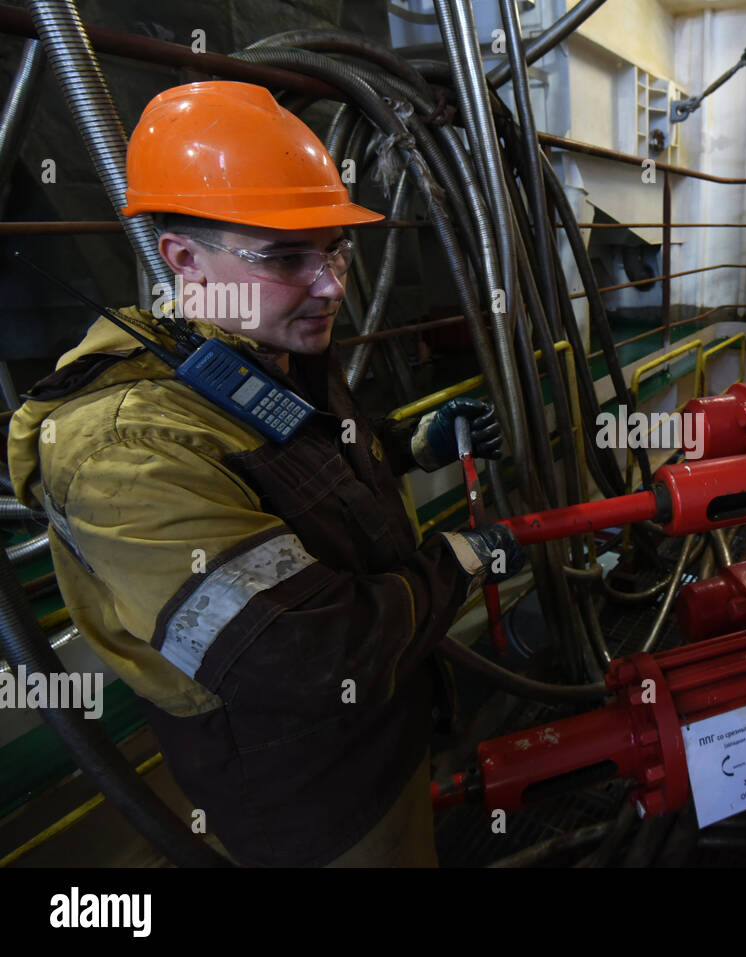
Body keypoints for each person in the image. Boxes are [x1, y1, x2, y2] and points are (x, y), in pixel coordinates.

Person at [5, 80, 525, 867]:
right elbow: (306, 654)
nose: (332, 286)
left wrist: (410, 443)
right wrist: (458, 561)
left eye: (336, 249)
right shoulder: (123, 452)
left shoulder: (261, 343)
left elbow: (313, 465)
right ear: (183, 258)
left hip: (386, 732)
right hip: (309, 805)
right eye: (287, 255)